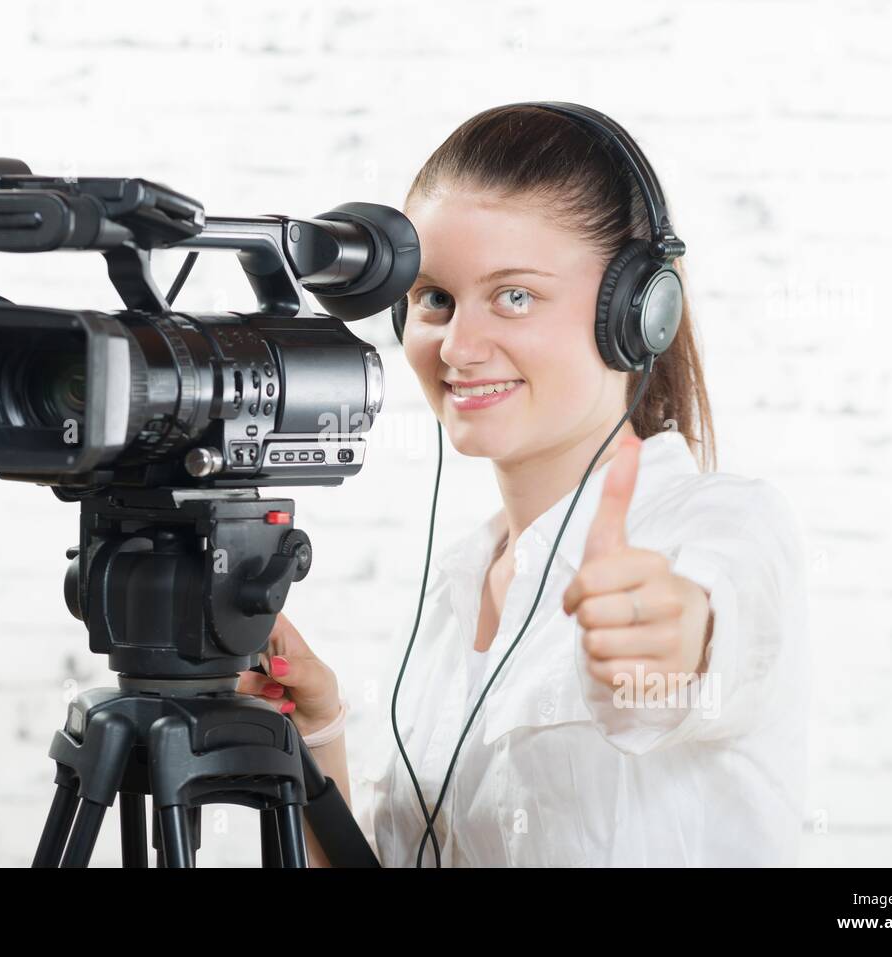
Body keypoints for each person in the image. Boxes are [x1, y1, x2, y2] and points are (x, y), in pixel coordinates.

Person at [236, 103, 809, 867]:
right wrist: (315, 739)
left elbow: (716, 625)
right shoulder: (457, 591)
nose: (459, 348)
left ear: (638, 312)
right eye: (435, 298)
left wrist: (673, 635)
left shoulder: (721, 529)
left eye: (514, 295)